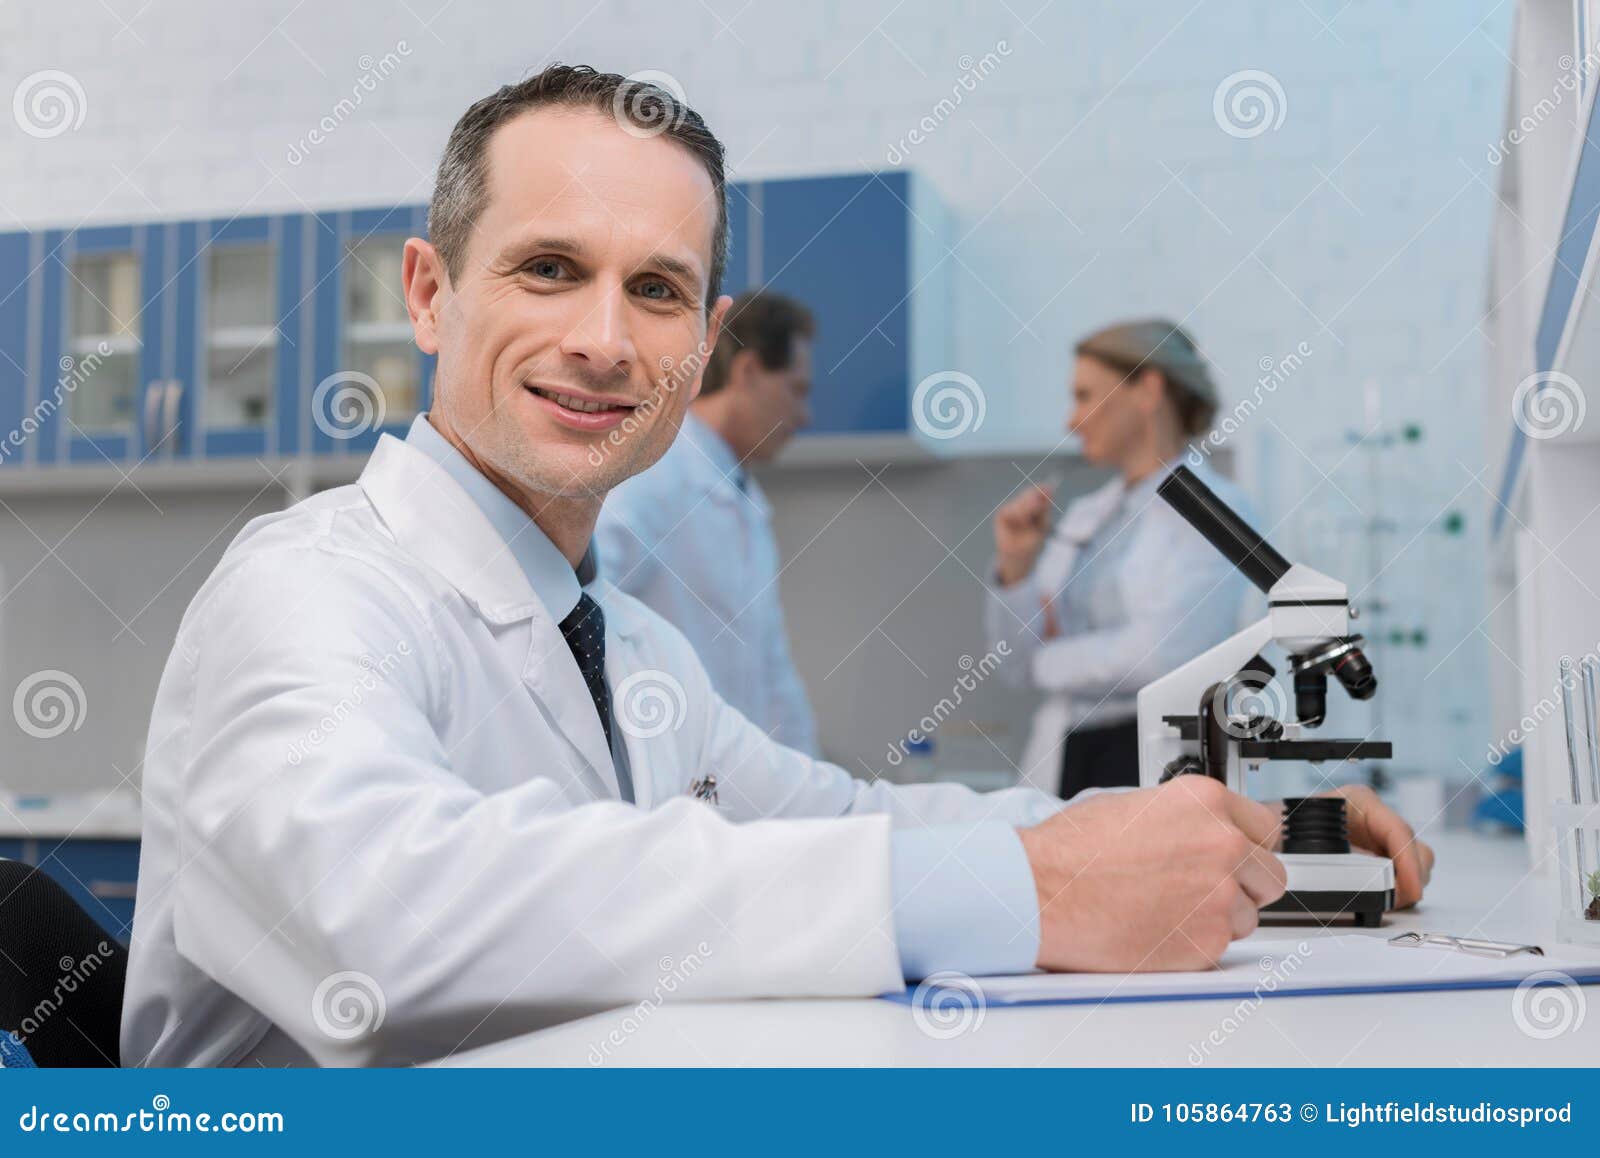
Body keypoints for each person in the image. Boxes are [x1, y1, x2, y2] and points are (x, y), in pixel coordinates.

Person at [121, 67, 1431, 1068]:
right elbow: (375, 920)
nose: (601, 337)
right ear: (426, 292)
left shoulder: (626, 646)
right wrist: (1029, 892)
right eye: (548, 268)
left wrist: (1255, 840)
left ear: (705, 338)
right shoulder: (309, 590)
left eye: (658, 290)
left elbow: (847, 821)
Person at [985, 322, 1255, 799]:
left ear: (1148, 389)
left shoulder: (1218, 508)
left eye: (1084, 395)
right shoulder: (1086, 517)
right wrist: (1016, 568)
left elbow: (1163, 655)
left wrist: (1049, 660)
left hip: (1150, 757)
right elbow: (1014, 664)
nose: (1072, 420)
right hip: (1063, 757)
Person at [595, 291, 818, 754]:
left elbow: (772, 675)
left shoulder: (743, 498)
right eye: (796, 389)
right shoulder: (652, 473)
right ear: (748, 373)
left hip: (735, 786)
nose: (804, 416)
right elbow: (577, 617)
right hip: (663, 782)